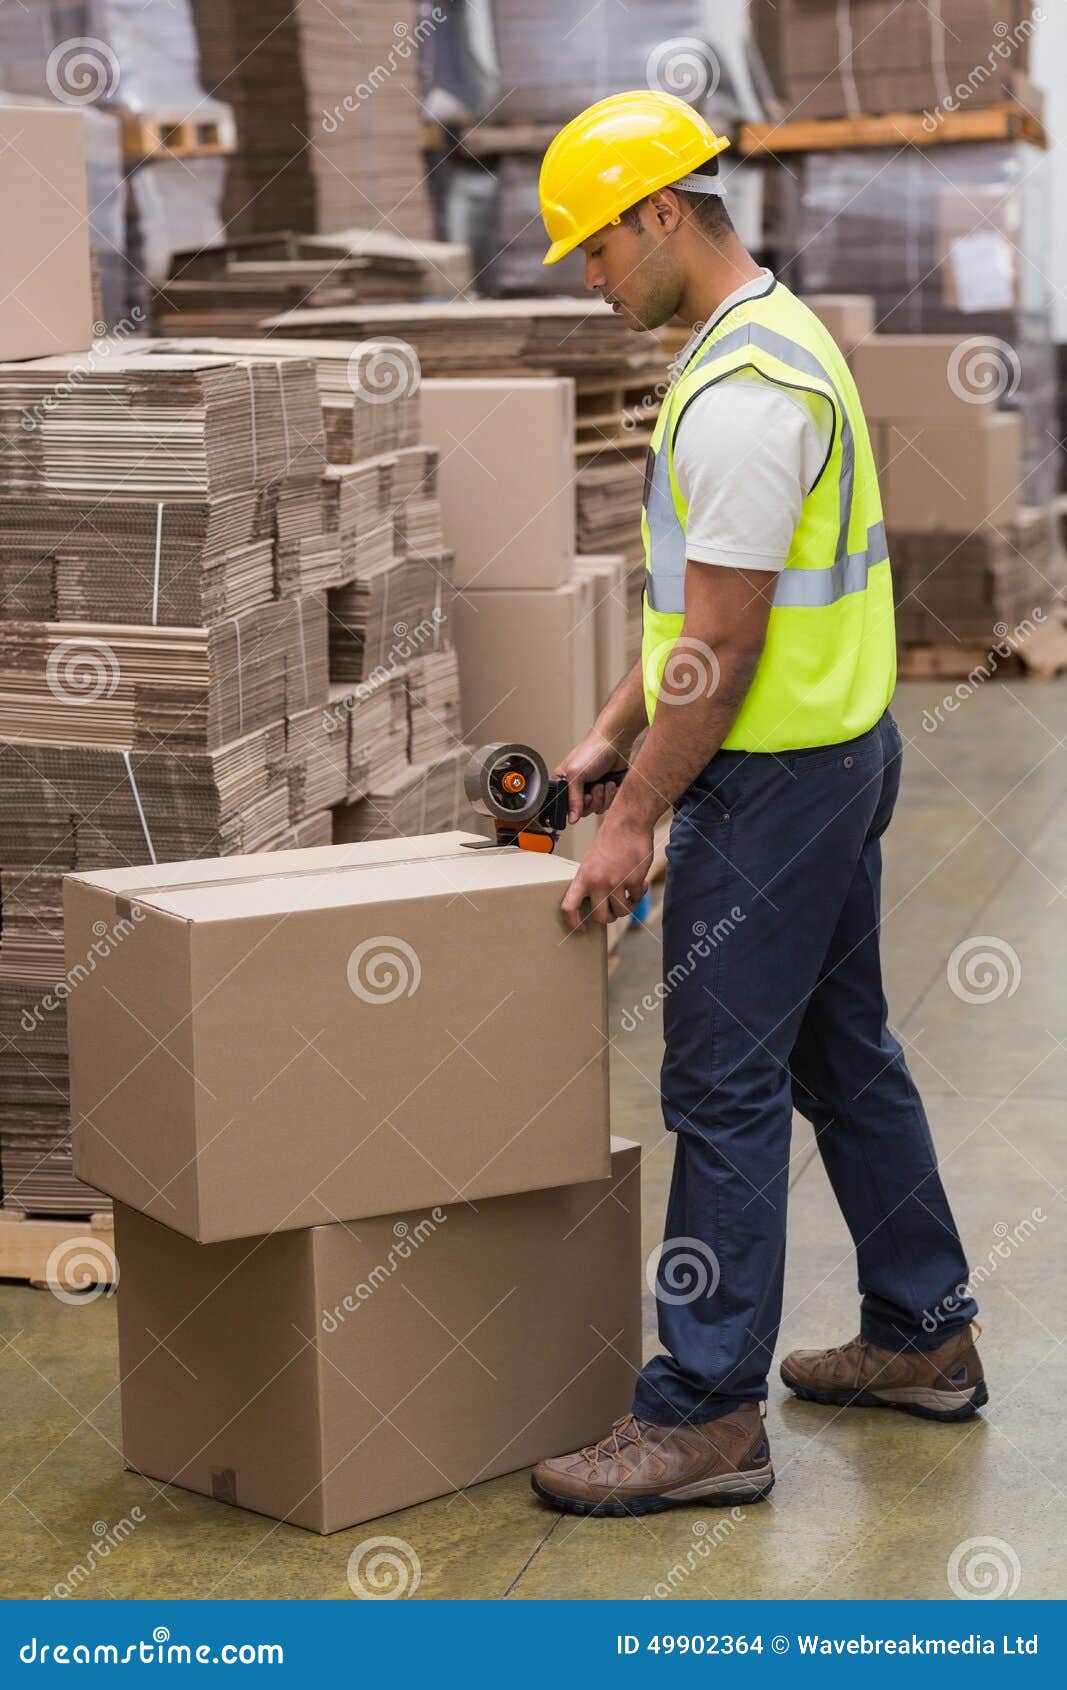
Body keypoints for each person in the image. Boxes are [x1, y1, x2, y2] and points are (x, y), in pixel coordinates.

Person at [529, 91, 984, 1519]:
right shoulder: (774, 338)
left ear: (663, 211)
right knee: (845, 1056)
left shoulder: (738, 398)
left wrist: (634, 814)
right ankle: (926, 1334)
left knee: (719, 1091)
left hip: (775, 780)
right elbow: (699, 610)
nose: (591, 283)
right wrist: (613, 727)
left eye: (595, 251)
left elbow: (718, 651)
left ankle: (705, 1413)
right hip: (840, 750)